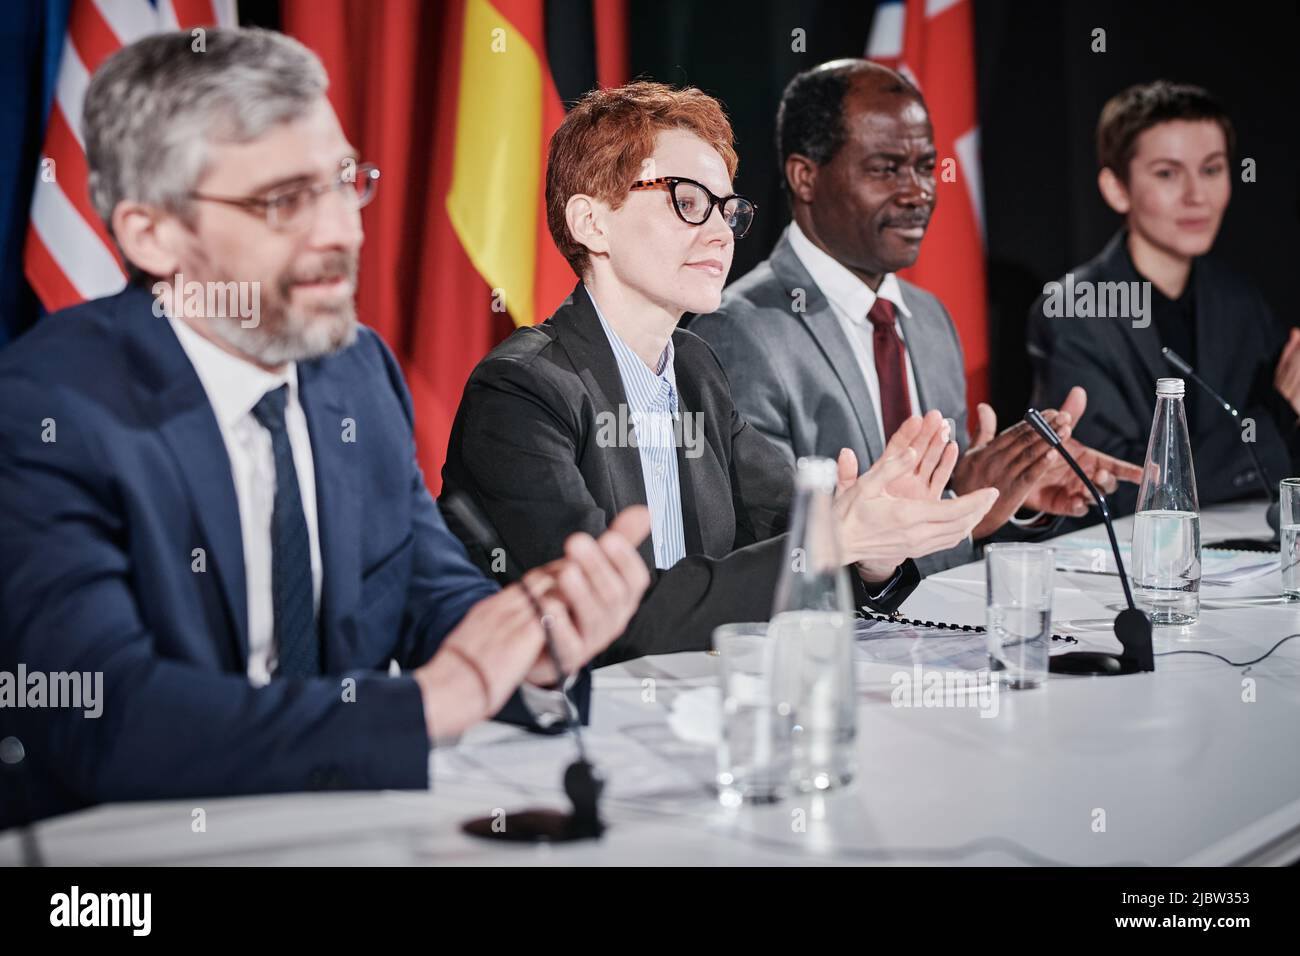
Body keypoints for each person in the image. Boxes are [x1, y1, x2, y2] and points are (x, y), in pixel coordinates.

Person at [0, 28, 650, 828]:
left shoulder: (354, 372)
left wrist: (533, 651)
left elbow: (427, 594)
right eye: (283, 200)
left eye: (345, 182)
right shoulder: (50, 406)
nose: (343, 232)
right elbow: (102, 714)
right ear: (151, 233)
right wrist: (418, 710)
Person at [441, 80, 1001, 665]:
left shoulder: (695, 368)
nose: (719, 233)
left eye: (728, 210)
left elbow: (789, 541)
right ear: (592, 223)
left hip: (696, 706)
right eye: (687, 201)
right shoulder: (520, 393)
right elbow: (609, 621)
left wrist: (873, 545)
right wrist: (834, 537)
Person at [692, 59, 1141, 574]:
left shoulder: (928, 319)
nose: (918, 192)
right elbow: (775, 555)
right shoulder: (738, 331)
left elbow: (959, 500)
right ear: (805, 177)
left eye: (926, 167)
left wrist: (1009, 491)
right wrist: (961, 511)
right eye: (886, 168)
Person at [1029, 80, 1298, 513]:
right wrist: (1280, 418)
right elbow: (1120, 485)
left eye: (1211, 169)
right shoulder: (1075, 308)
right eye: (1167, 174)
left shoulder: (1239, 299)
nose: (1196, 196)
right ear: (1117, 188)